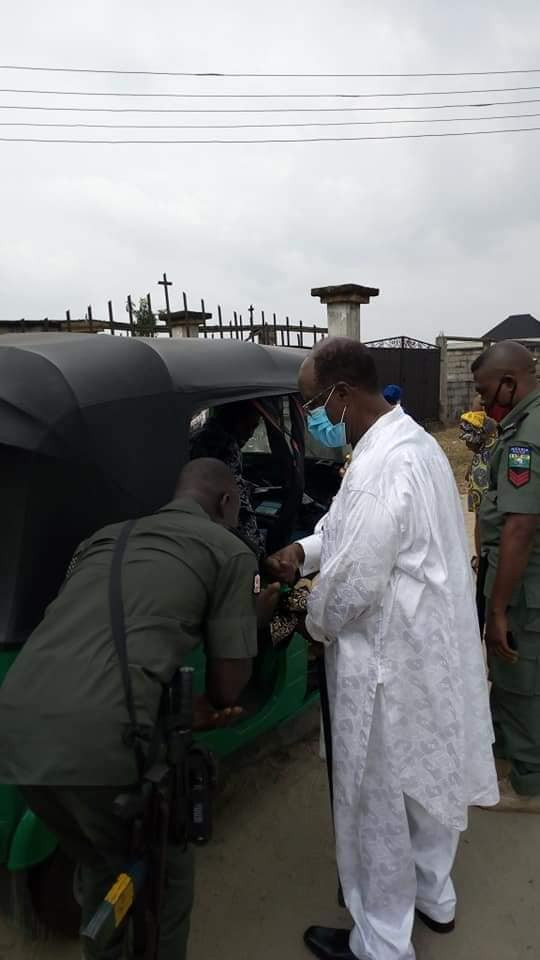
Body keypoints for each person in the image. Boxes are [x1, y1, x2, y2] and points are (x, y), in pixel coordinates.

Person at [267, 337, 498, 960]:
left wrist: (307, 618)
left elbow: (351, 588)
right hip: (429, 653)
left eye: (313, 402)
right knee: (425, 782)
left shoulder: (378, 467)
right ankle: (435, 899)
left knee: (377, 805)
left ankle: (381, 942)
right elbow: (345, 529)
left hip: (385, 665)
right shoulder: (412, 444)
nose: (313, 416)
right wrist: (305, 550)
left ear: (341, 395)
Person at [0, 458, 279, 960]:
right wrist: (253, 617)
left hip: (17, 731)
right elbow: (227, 687)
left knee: (102, 869)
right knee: (163, 883)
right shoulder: (230, 551)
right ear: (224, 502)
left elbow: (100, 636)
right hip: (104, 742)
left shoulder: (103, 538)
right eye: (237, 510)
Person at [472, 340, 540, 812]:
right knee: (512, 673)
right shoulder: (521, 423)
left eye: (484, 391)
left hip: (522, 586)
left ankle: (528, 783)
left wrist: (497, 609)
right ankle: (503, 754)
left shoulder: (524, 439)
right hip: (521, 579)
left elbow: (519, 527)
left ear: (510, 382)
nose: (481, 401)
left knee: (518, 677)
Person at [190, 400, 265, 557]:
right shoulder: (225, 446)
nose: (250, 434)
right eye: (247, 426)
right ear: (233, 419)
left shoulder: (200, 435)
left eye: (254, 427)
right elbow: (239, 505)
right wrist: (257, 550)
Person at [460, 401, 499, 635]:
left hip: (483, 475)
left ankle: (481, 557)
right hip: (482, 465)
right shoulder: (490, 441)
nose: (464, 443)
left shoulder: (486, 425)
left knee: (480, 517)